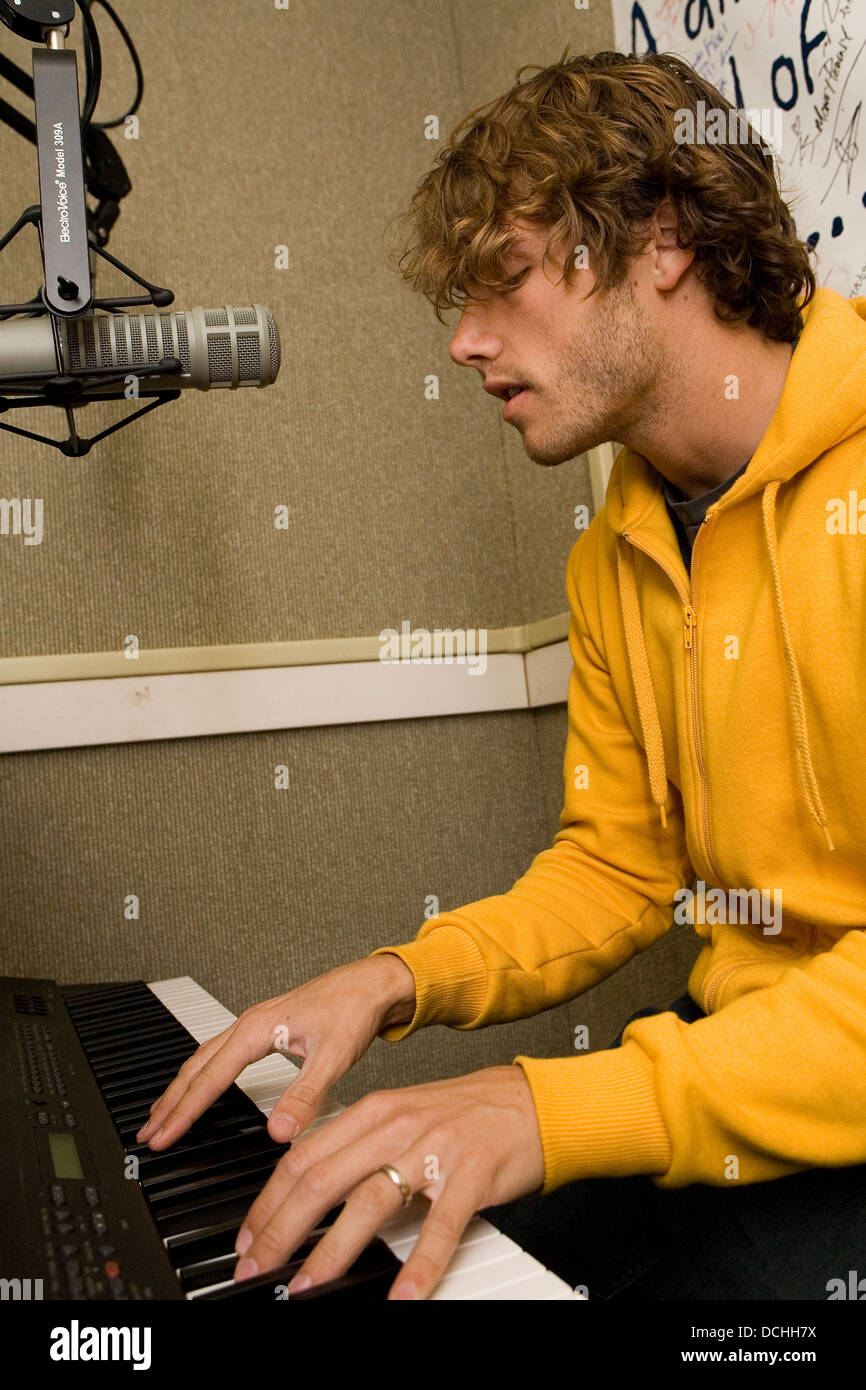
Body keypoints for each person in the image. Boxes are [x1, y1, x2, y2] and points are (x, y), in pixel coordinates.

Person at [138, 49, 866, 1301]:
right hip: (732, 1059)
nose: (468, 345)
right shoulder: (614, 555)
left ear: (662, 240)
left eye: (507, 282)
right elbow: (619, 868)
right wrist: (398, 976)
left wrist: (553, 1103)